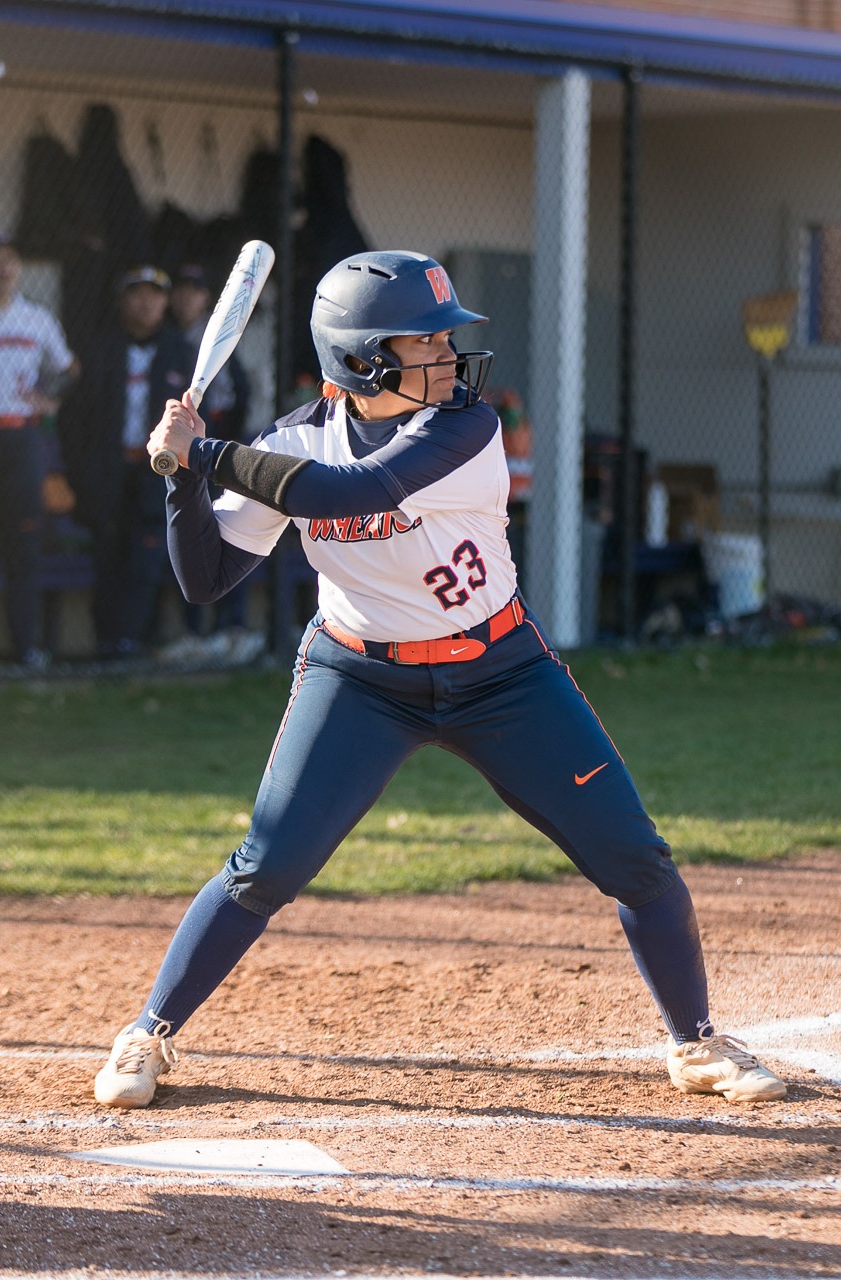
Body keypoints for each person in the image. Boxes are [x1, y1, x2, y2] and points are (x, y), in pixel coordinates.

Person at [93, 251, 788, 1109]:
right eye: (424, 344)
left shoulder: (466, 428)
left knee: (636, 861)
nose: (448, 359)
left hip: (501, 673)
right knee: (264, 867)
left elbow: (355, 491)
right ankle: (148, 1031)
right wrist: (178, 481)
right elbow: (205, 578)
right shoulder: (290, 442)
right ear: (359, 360)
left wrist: (208, 455)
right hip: (359, 678)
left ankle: (696, 1041)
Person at [57, 266, 191, 658]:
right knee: (108, 557)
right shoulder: (99, 351)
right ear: (120, 301)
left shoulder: (180, 353)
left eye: (155, 294)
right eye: (136, 294)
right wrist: (82, 470)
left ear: (165, 302)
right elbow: (75, 419)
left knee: (145, 558)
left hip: (157, 473)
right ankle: (107, 643)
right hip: (108, 473)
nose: (146, 302)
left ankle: (135, 643)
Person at [0, 232, 74, 670]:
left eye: (11, 260)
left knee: (24, 541)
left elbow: (68, 369)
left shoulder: (35, 318)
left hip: (24, 438)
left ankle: (24, 647)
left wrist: (49, 401)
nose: (4, 269)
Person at [160, 263, 261, 665]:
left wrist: (224, 444)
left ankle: (231, 628)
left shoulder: (223, 338)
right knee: (187, 535)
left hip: (216, 443)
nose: (187, 298)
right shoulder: (169, 342)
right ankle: (192, 633)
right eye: (181, 290)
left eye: (195, 291)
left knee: (227, 534)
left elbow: (243, 394)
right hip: (178, 445)